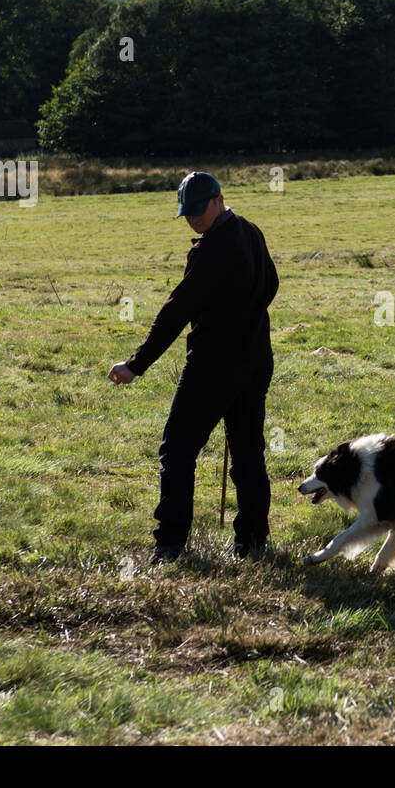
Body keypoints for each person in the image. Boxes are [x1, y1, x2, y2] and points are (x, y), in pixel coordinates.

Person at [109, 172, 279, 562]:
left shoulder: (214, 248)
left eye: (199, 211)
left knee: (178, 450)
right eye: (187, 214)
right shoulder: (251, 232)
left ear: (219, 200)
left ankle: (169, 545)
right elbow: (271, 286)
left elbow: (177, 310)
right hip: (255, 362)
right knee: (248, 454)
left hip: (212, 367)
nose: (193, 219)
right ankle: (252, 543)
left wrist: (137, 364)